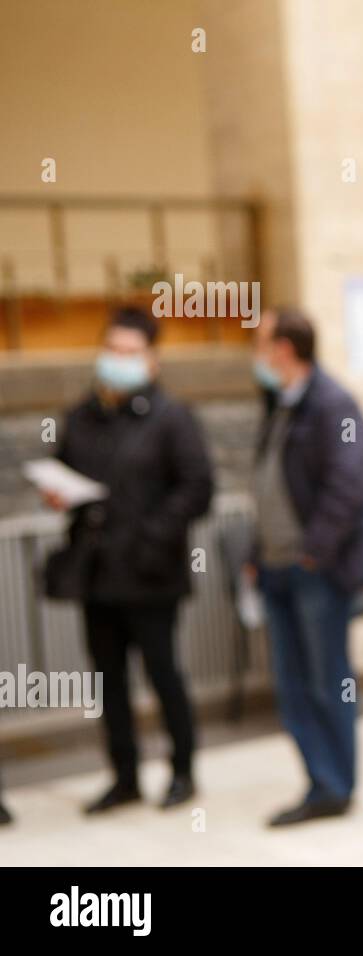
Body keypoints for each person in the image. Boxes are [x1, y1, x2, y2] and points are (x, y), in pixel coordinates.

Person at [45, 307, 212, 814]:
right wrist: (58, 493)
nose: (118, 360)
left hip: (150, 573)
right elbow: (66, 472)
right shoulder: (81, 416)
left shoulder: (172, 418)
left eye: (130, 352)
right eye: (112, 350)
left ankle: (182, 770)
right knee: (108, 681)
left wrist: (151, 535)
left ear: (152, 360)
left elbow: (197, 489)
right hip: (96, 573)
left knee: (164, 674)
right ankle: (125, 776)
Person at [251, 307, 363, 826]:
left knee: (325, 679)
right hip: (276, 569)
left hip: (314, 570)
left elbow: (348, 485)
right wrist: (255, 554)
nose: (257, 353)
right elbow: (268, 485)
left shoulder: (333, 404)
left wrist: (314, 550)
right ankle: (320, 780)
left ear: (285, 349)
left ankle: (334, 786)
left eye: (262, 342)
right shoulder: (281, 404)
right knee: (292, 686)